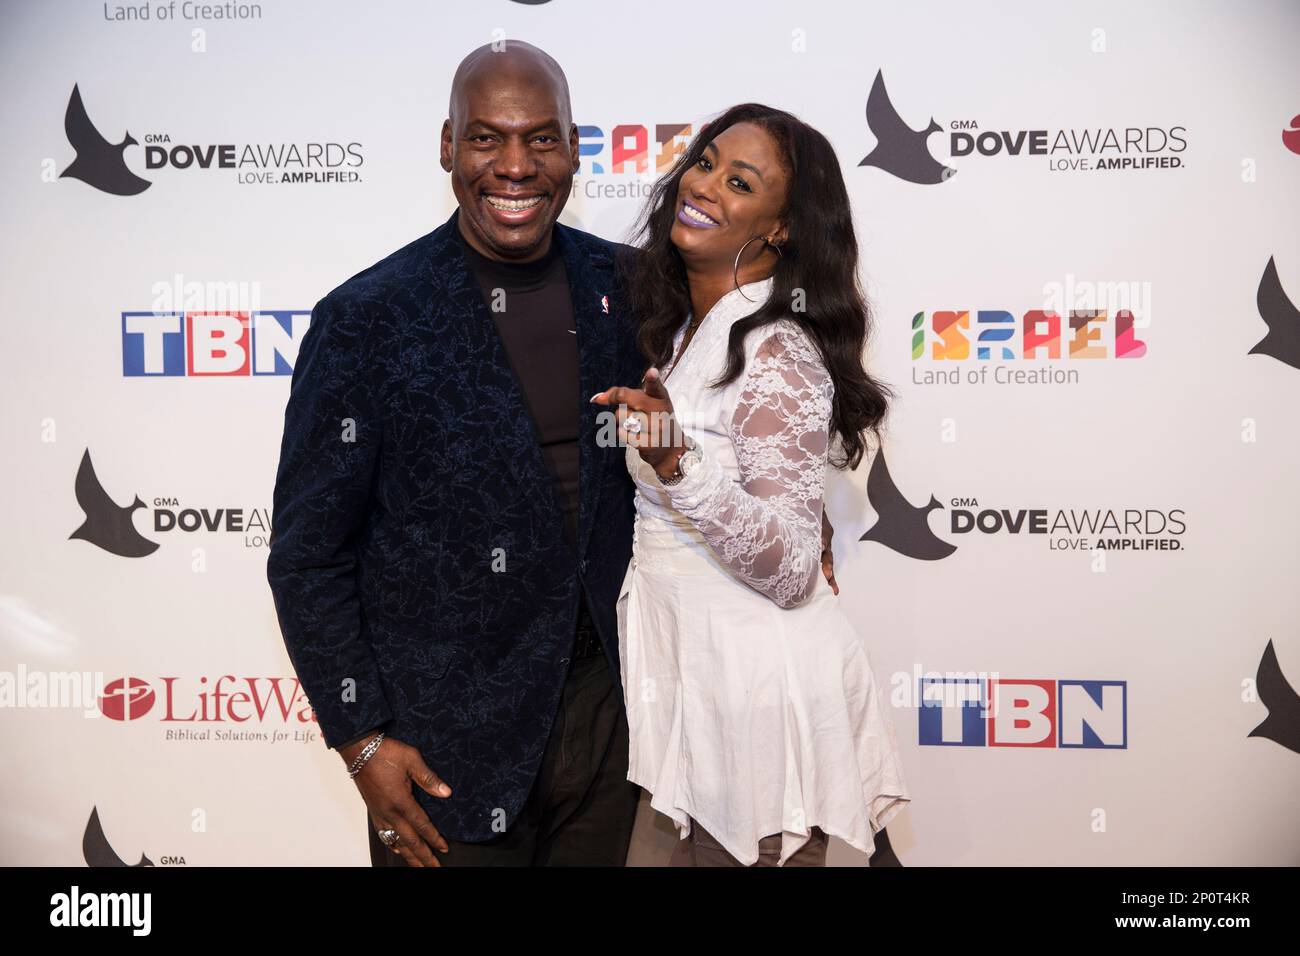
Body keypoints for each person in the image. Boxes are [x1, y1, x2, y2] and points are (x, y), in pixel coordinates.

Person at [266, 41, 646, 866]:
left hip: (616, 734)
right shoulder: (366, 319)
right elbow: (307, 556)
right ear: (447, 145)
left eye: (542, 139)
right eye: (487, 138)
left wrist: (793, 514)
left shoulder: (634, 288)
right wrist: (361, 738)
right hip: (445, 758)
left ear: (575, 148)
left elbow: (731, 408)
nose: (516, 166)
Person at [592, 103, 912, 867]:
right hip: (696, 695)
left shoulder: (776, 350)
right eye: (704, 162)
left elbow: (793, 567)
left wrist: (678, 466)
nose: (705, 186)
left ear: (781, 230)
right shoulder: (687, 331)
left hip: (756, 711)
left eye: (740, 182)